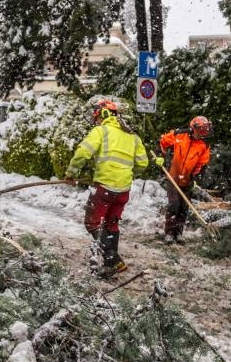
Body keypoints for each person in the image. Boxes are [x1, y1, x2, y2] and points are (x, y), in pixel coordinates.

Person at [65, 99, 158, 275]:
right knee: (111, 224)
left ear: (104, 115)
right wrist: (127, 173)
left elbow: (82, 153)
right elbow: (143, 163)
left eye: (97, 117)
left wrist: (71, 173)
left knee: (92, 223)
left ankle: (112, 259)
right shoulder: (132, 135)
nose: (96, 121)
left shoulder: (101, 131)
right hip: (123, 191)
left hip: (104, 188)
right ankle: (111, 262)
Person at [158, 116, 212, 242]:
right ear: (194, 128)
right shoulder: (179, 135)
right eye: (201, 130)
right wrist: (160, 156)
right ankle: (169, 233)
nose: (203, 133)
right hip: (174, 176)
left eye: (205, 130)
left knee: (184, 207)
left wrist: (195, 179)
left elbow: (202, 164)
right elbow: (162, 142)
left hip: (188, 179)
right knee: (174, 205)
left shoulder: (204, 145)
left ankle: (178, 233)